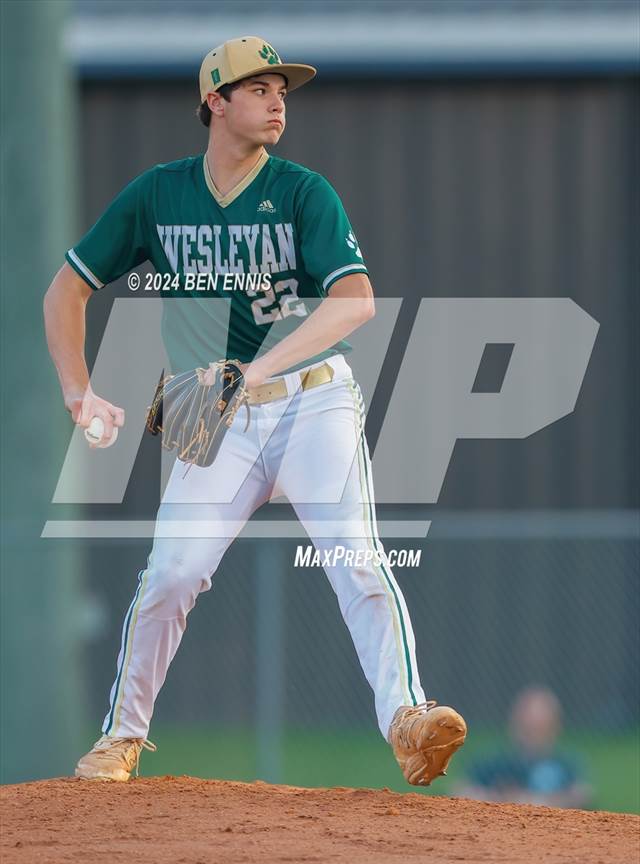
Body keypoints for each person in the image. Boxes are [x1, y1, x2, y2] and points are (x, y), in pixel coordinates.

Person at [43, 36, 466, 785]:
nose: (278, 102)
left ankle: (407, 718)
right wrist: (79, 389)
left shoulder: (303, 192)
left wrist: (256, 367)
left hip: (313, 405)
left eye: (282, 90)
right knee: (171, 573)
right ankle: (120, 738)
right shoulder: (158, 195)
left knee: (357, 559)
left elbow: (356, 301)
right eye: (259, 88)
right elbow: (67, 289)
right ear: (215, 101)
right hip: (219, 421)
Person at [455, 686, 591, 808]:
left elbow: (582, 795)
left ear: (555, 728)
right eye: (527, 727)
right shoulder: (496, 762)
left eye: (540, 728)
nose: (532, 735)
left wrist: (533, 801)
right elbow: (461, 790)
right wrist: (499, 800)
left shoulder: (563, 764)